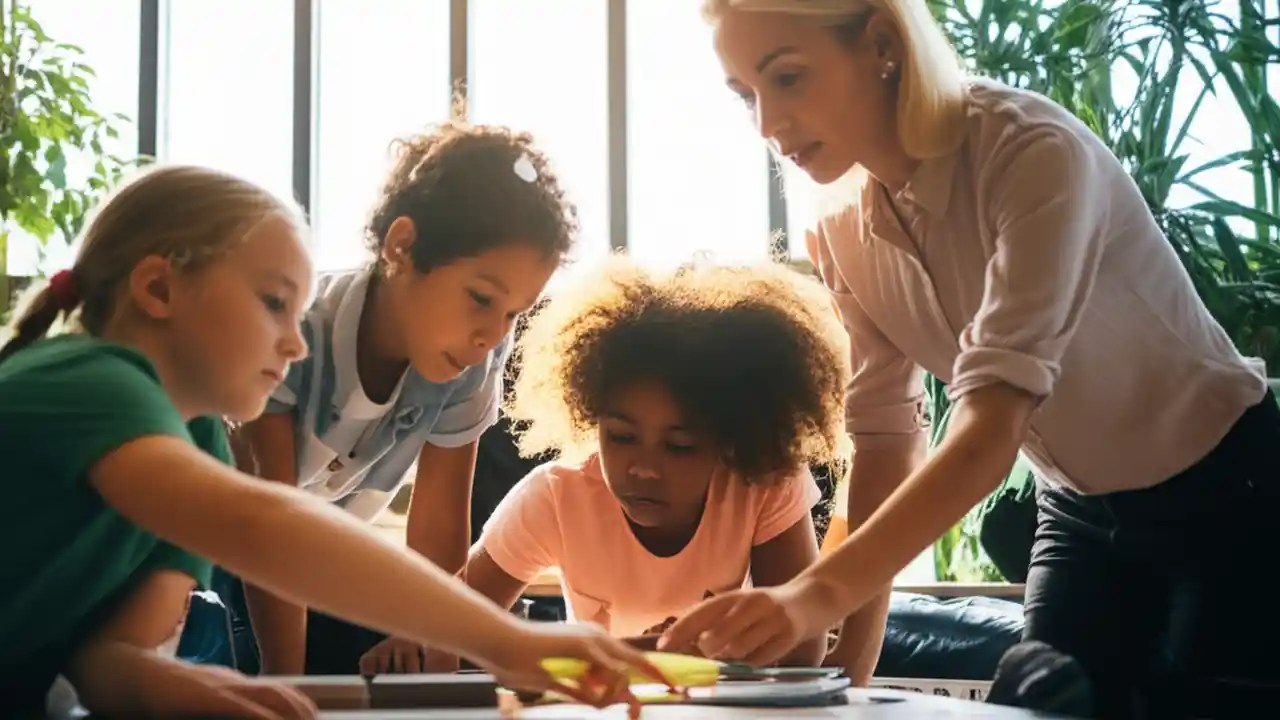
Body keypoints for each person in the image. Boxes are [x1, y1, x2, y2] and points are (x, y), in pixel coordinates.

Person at [661, 2, 1280, 717]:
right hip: (1078, 510)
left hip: (1230, 492)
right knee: (1036, 708)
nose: (768, 125)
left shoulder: (1034, 153)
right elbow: (885, 438)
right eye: (747, 96)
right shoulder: (835, 224)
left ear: (883, 43)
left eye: (788, 78)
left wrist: (812, 595)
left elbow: (990, 428)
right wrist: (849, 680)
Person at [0, 165, 659, 719]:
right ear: (158, 288)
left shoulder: (199, 440)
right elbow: (261, 526)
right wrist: (508, 642)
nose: (295, 343)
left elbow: (109, 665)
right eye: (273, 302)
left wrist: (227, 693)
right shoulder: (95, 381)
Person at [230, 121, 575, 676]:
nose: (492, 334)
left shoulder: (471, 359)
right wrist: (286, 686)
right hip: (225, 544)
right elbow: (270, 525)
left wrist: (443, 683)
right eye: (481, 297)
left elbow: (438, 526)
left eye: (514, 313)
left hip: (322, 553)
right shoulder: (296, 334)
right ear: (403, 246)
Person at [457, 258, 850, 667]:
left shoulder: (763, 483)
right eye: (621, 437)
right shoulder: (555, 496)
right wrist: (662, 652)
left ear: (729, 443)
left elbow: (802, 651)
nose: (643, 468)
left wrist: (647, 654)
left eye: (679, 446)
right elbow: (455, 631)